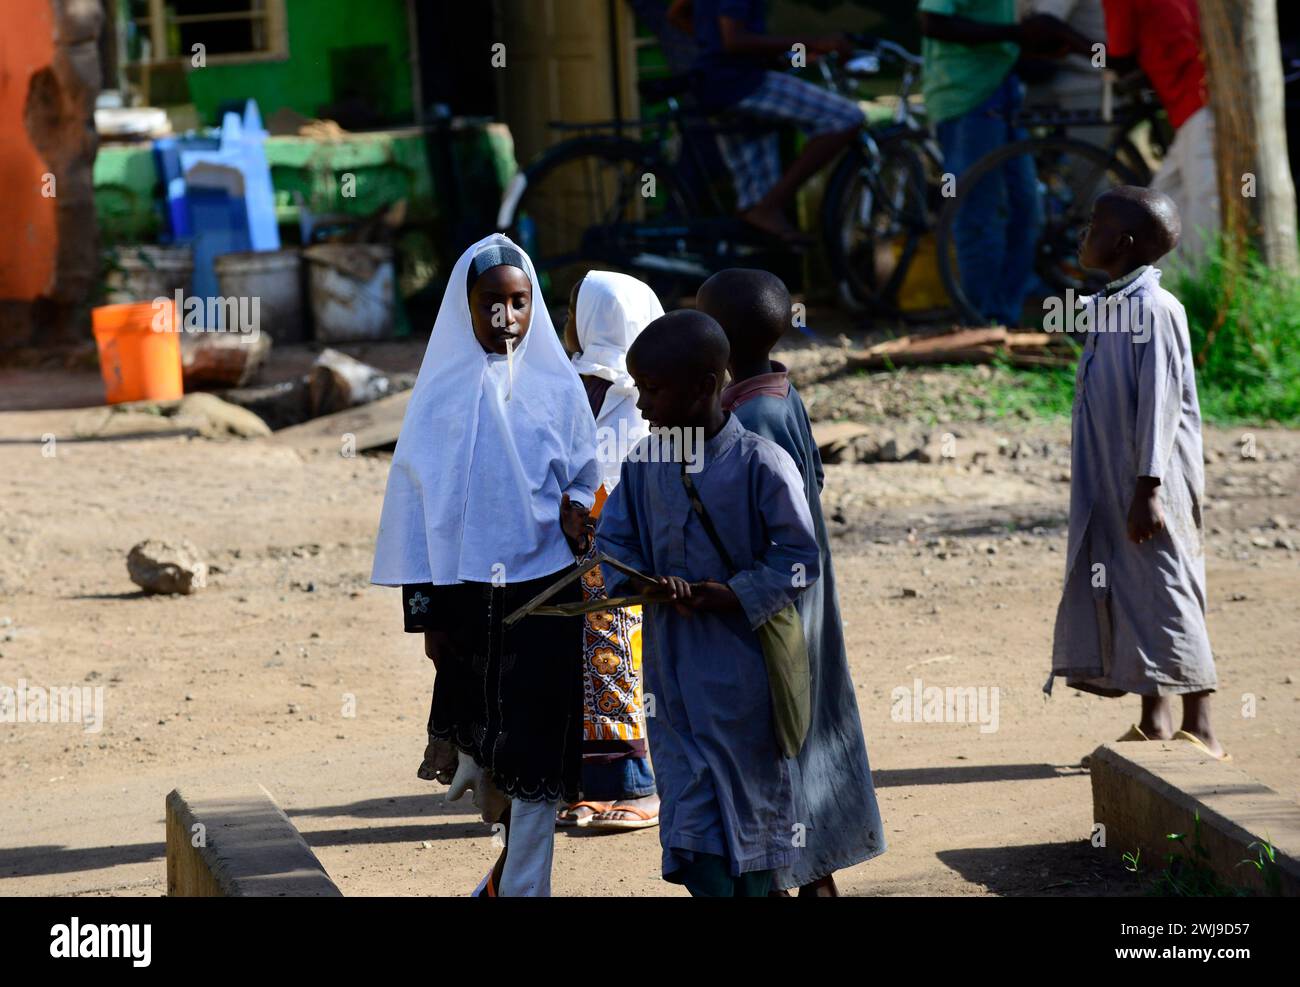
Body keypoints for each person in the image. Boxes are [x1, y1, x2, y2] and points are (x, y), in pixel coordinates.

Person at [371, 234, 602, 896]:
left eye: (519, 302)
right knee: (487, 751)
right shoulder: (439, 396)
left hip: (546, 597)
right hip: (467, 602)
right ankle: (504, 877)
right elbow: (416, 515)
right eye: (491, 303)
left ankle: (526, 883)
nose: (506, 317)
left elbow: (585, 472)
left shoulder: (556, 388)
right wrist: (426, 619)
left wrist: (577, 506)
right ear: (465, 309)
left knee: (538, 749)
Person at [597, 309, 822, 896]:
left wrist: (729, 595)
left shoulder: (760, 463)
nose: (641, 405)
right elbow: (613, 543)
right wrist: (643, 582)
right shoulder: (644, 464)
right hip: (670, 683)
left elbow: (800, 558)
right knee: (694, 840)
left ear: (701, 388)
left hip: (744, 682)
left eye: (651, 390)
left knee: (753, 829)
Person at [700, 268, 885, 897]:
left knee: (784, 732)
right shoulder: (778, 394)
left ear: (718, 342)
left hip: (778, 603)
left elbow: (766, 521)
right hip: (796, 595)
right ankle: (810, 875)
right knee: (803, 725)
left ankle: (798, 874)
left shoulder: (754, 415)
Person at [1047, 186, 1226, 761]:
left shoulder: (1155, 309)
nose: (1084, 232)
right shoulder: (1113, 303)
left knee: (1170, 588)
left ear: (1122, 243)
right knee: (1128, 585)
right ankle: (1155, 718)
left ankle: (1203, 724)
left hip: (1152, 484)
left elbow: (1161, 404)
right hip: (1117, 478)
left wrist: (1147, 488)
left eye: (1094, 223)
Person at [555, 271, 663, 831]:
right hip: (590, 547)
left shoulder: (637, 388)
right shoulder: (575, 383)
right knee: (598, 667)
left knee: (615, 663)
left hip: (614, 549)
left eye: (574, 308)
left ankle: (636, 787)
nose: (566, 321)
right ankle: (593, 784)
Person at [919, 0, 1092, 325]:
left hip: (1004, 87)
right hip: (966, 98)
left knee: (1027, 211)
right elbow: (933, 23)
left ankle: (1003, 316)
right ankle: (980, 319)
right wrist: (1018, 33)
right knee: (978, 213)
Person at [667, 0, 864, 244]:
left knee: (752, 202)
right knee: (846, 116)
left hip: (716, 83)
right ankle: (772, 205)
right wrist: (814, 43)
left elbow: (677, 12)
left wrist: (712, 44)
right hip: (743, 82)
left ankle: (753, 236)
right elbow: (734, 40)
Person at [1101, 0, 1219, 269]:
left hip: (1199, 100)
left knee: (1204, 203)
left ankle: (1209, 291)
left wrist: (1068, 41)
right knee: (1163, 202)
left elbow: (1120, 55)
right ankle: (1170, 294)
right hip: (1197, 102)